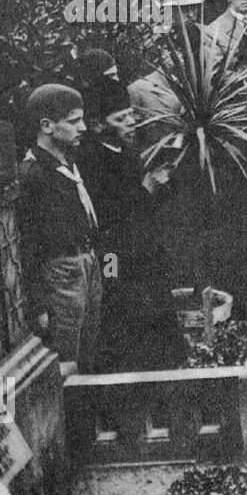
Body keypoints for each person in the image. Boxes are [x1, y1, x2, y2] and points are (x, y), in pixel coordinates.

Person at [79, 79, 188, 372]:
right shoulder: (91, 161)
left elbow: (144, 208)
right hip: (118, 259)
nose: (130, 122)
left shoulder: (125, 150)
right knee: (129, 322)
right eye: (120, 118)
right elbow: (108, 216)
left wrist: (163, 182)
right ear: (97, 125)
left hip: (145, 254)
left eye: (130, 114)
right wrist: (146, 189)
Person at [16, 83, 102, 372]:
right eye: (74, 121)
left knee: (89, 354)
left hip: (86, 264)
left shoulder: (68, 163)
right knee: (67, 361)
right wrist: (39, 304)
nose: (83, 128)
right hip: (61, 274)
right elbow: (27, 243)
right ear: (47, 126)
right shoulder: (34, 175)